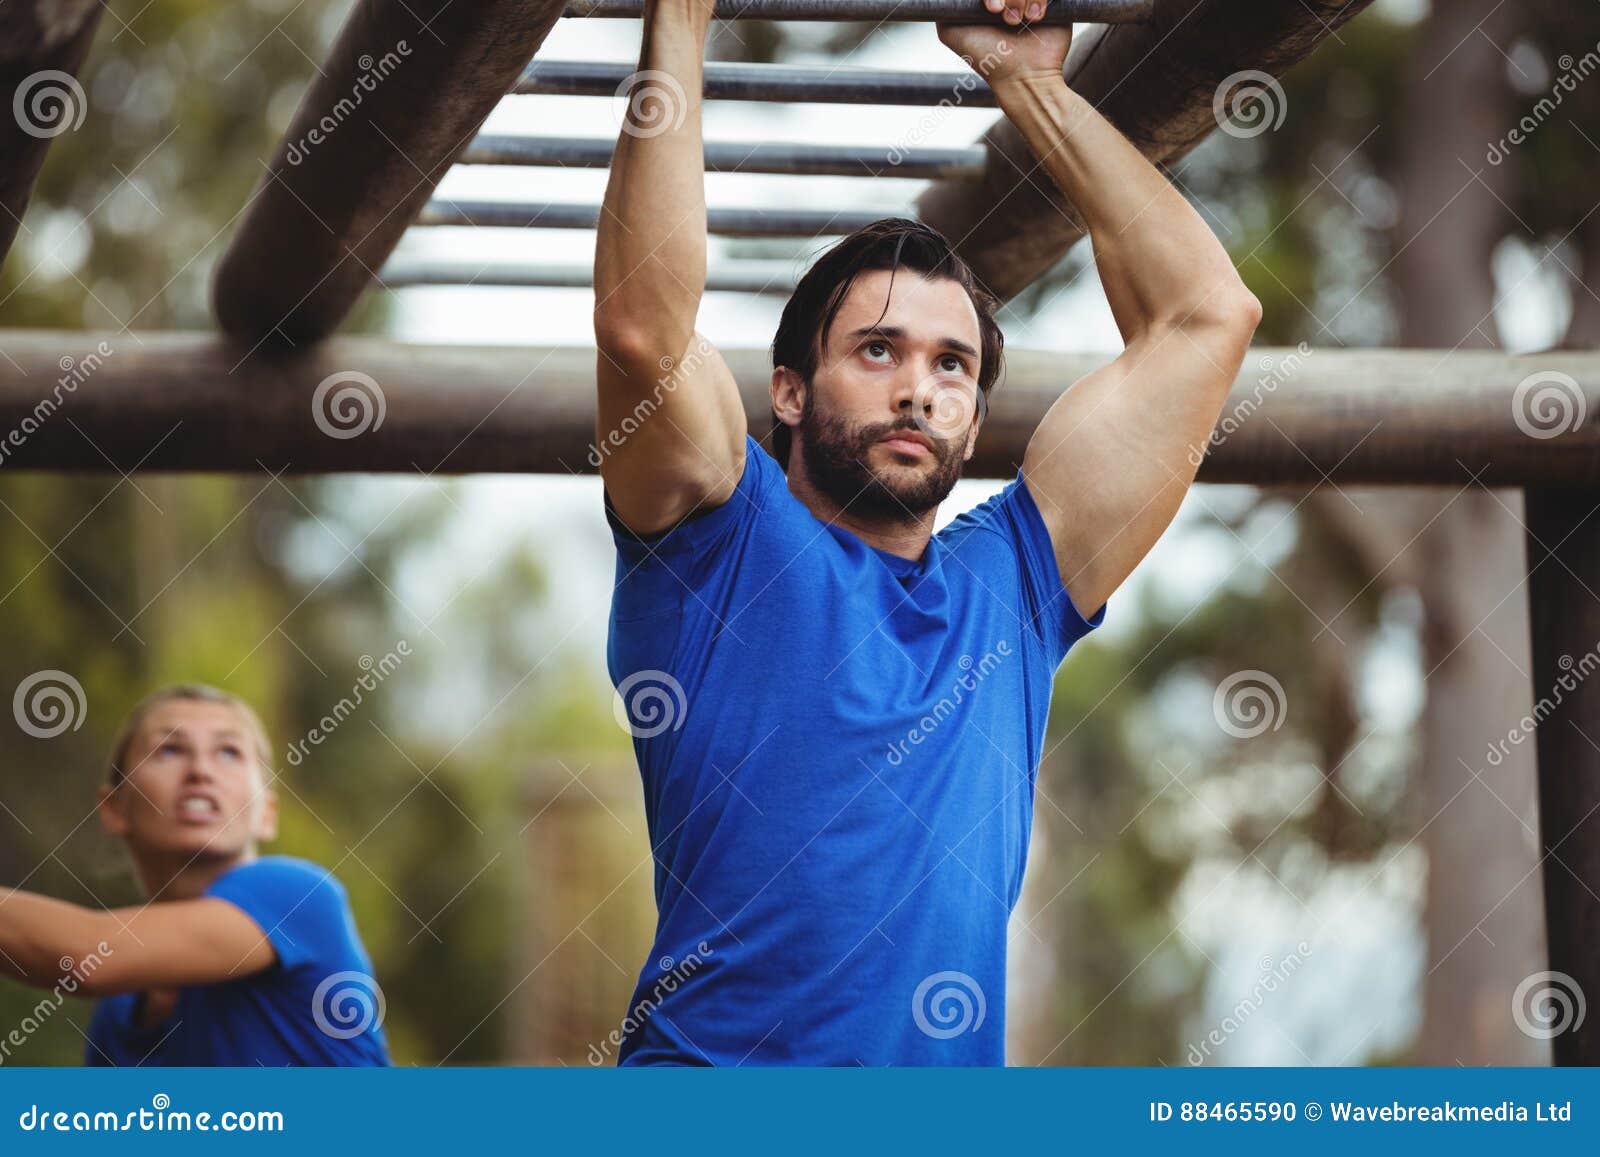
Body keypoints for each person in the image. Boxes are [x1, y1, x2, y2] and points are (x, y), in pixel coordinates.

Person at [591, 0, 1261, 1066]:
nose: (918, 388)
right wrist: (680, 18)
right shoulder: (718, 538)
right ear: (791, 392)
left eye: (951, 364)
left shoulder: (1015, 587)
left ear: (977, 415)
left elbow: (1205, 317)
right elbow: (640, 326)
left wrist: (1025, 81)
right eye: (876, 350)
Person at [0, 684, 389, 1066]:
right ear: (114, 808)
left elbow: (87, 955)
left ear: (267, 813)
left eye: (229, 751)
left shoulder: (298, 896)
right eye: (169, 749)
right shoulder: (118, 1013)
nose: (201, 771)